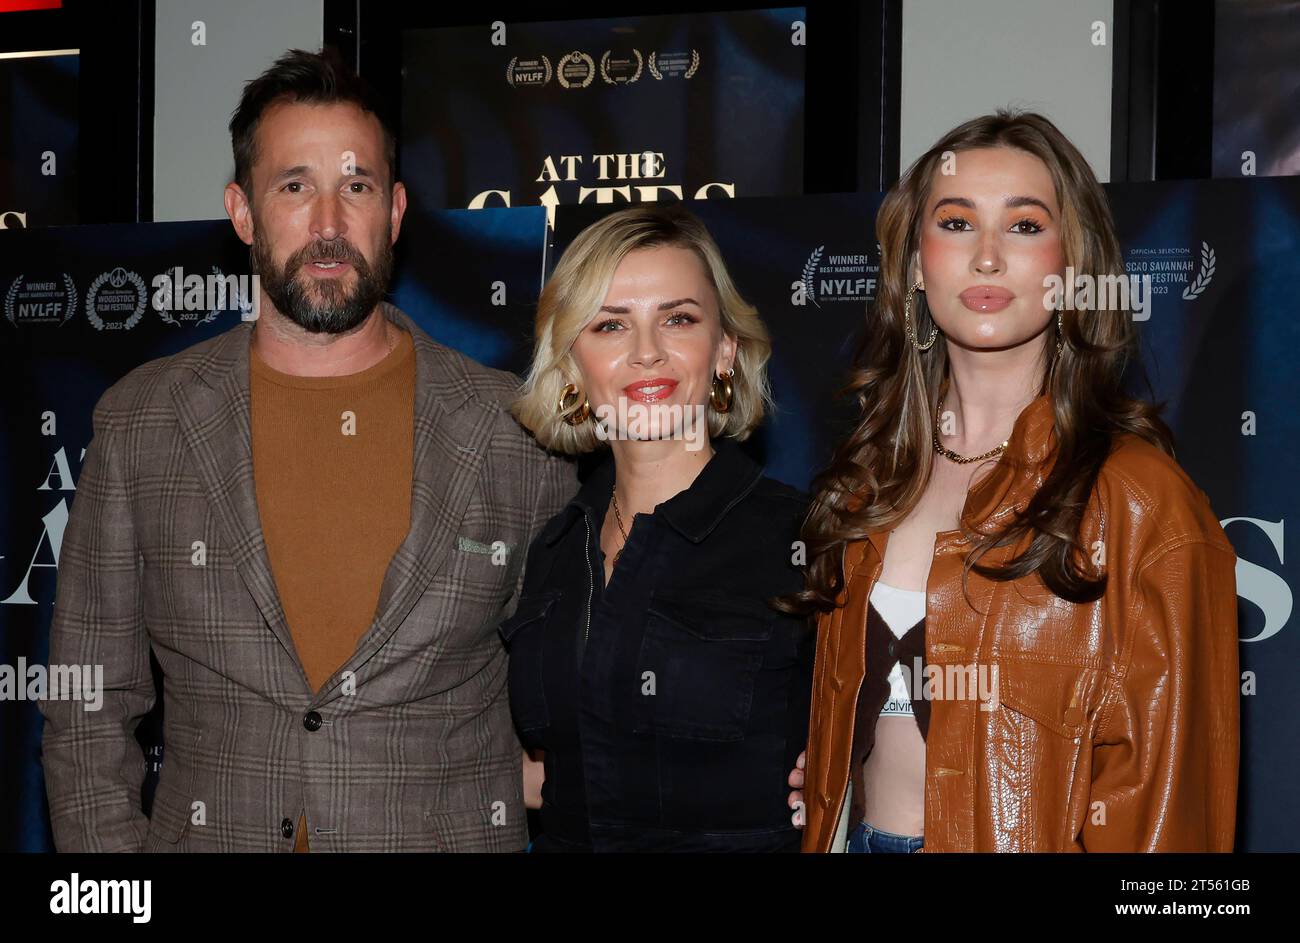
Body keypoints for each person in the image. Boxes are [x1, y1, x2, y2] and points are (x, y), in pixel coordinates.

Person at [39, 47, 576, 852]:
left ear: (393, 212)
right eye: (295, 186)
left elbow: (587, 683)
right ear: (243, 211)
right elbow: (87, 705)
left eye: (355, 186)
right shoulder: (142, 422)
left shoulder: (514, 428)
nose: (328, 225)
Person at [781, 110, 1239, 853]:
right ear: (916, 263)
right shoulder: (869, 483)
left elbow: (1172, 816)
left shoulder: (1141, 499)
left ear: (1072, 268)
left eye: (1025, 227)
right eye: (956, 223)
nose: (987, 257)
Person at [502, 203, 814, 851]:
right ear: (571, 365)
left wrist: (847, 776)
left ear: (725, 350)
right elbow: (551, 772)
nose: (647, 352)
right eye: (611, 325)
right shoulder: (555, 552)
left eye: (678, 319)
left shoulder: (806, 539)